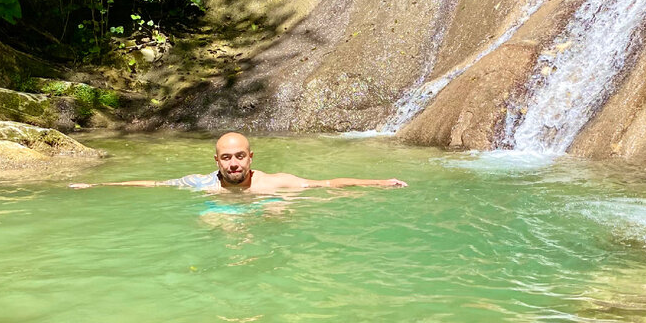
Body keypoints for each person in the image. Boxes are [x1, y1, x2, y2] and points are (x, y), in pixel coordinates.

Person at [69, 131, 407, 194]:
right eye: (227, 158)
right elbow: (152, 185)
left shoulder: (273, 182)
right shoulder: (201, 184)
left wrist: (379, 183)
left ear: (250, 158)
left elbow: (327, 184)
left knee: (277, 208)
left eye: (239, 156)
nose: (233, 164)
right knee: (216, 220)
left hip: (265, 222)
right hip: (223, 227)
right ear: (216, 160)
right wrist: (97, 184)